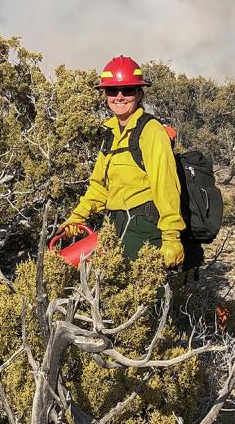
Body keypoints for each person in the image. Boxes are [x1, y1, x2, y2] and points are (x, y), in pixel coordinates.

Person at [60, 56, 185, 267]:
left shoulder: (150, 131)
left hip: (144, 226)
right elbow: (99, 187)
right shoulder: (111, 134)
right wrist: (77, 216)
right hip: (115, 225)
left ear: (139, 94)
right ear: (105, 95)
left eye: (127, 90)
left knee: (141, 294)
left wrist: (171, 235)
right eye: (112, 91)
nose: (119, 97)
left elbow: (166, 185)